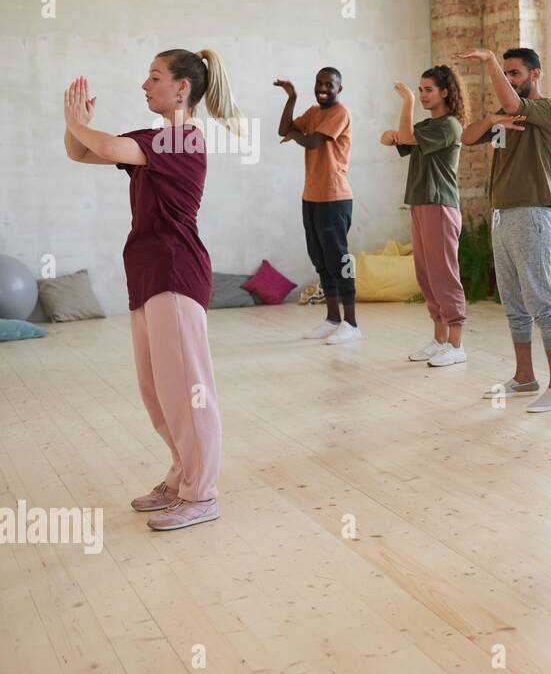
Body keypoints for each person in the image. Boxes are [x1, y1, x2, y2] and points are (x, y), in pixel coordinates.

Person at [62, 49, 240, 530]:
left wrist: (79, 123)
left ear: (182, 88)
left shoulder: (183, 140)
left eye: (155, 76)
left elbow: (106, 146)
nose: (145, 84)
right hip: (145, 275)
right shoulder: (155, 141)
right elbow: (82, 151)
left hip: (176, 273)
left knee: (188, 388)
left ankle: (202, 494)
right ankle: (183, 474)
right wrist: (74, 123)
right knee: (157, 388)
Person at [455, 46, 551, 412]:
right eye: (504, 73)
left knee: (540, 300)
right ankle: (524, 377)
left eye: (514, 73)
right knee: (513, 303)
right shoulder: (505, 116)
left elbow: (517, 106)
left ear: (534, 75)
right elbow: (468, 137)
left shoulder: (547, 109)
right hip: (503, 215)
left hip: (532, 214)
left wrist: (489, 61)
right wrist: (492, 119)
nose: (508, 79)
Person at [381, 66, 469, 366]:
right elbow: (397, 139)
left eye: (427, 89)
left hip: (440, 205)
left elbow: (404, 136)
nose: (422, 94)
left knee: (444, 274)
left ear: (445, 92)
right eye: (419, 90)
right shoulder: (428, 127)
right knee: (426, 275)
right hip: (421, 203)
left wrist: (407, 102)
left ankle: (456, 346)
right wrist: (393, 135)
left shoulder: (449, 126)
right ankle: (439, 339)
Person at [275, 67, 358, 344]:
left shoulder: (340, 113)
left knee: (339, 260)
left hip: (335, 197)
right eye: (319, 83)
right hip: (311, 196)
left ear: (339, 89)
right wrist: (292, 98)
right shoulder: (312, 112)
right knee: (320, 260)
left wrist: (295, 136)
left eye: (329, 85)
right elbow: (283, 129)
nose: (323, 88)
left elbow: (311, 142)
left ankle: (352, 324)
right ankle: (332, 319)